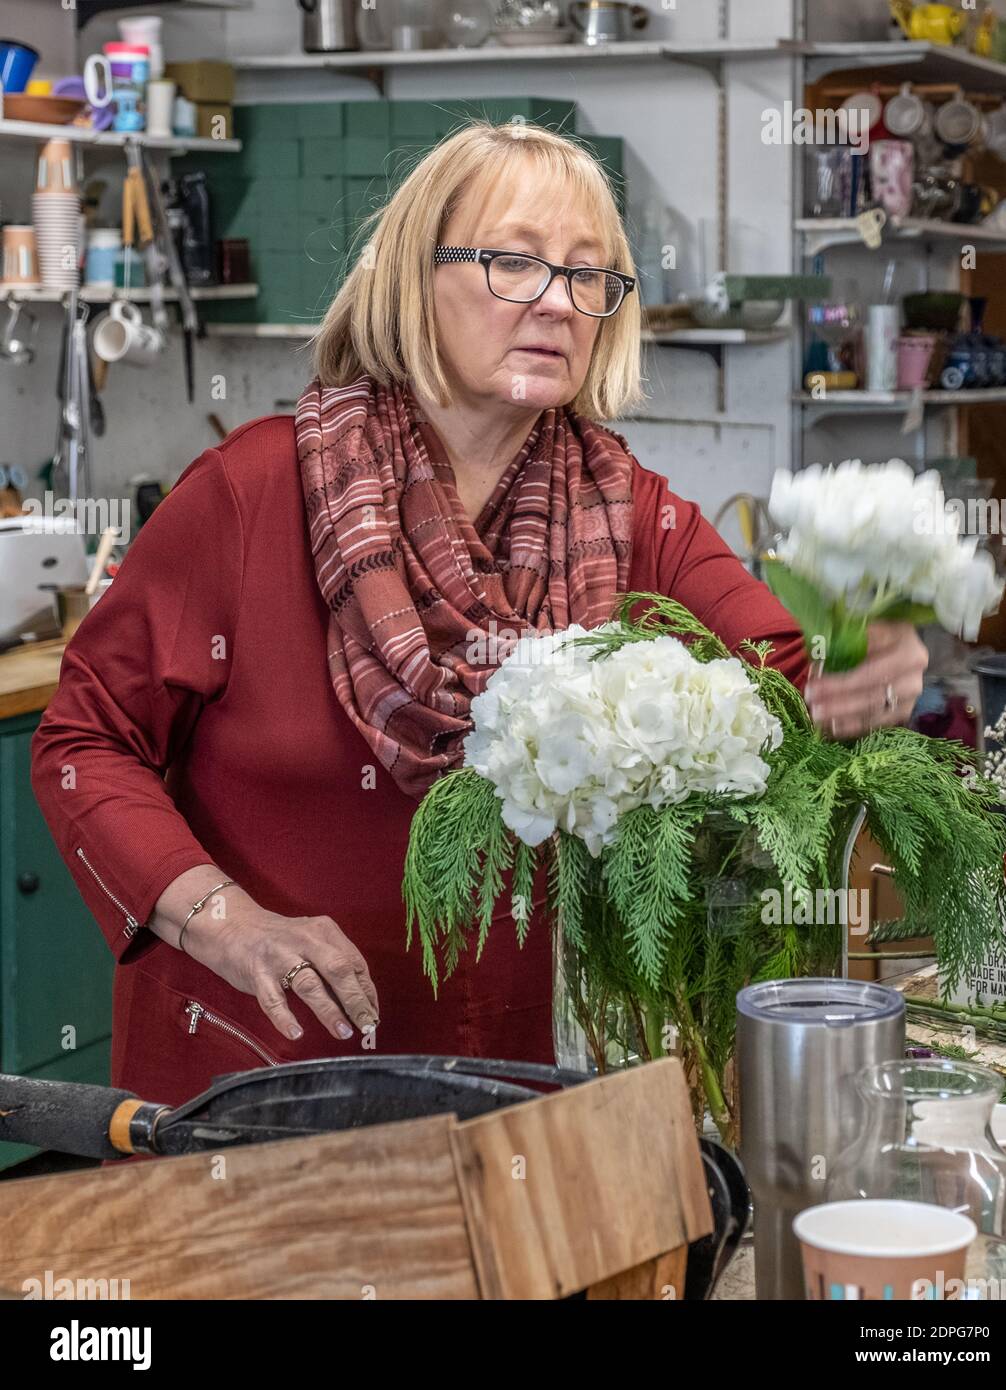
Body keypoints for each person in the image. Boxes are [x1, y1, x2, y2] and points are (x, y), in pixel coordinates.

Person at [31, 123, 927, 1107]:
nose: (554, 302)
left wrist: (864, 660)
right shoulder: (247, 494)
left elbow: (780, 674)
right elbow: (86, 743)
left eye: (587, 277)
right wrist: (221, 919)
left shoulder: (629, 515)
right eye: (512, 262)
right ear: (413, 279)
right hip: (256, 1073)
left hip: (511, 1079)